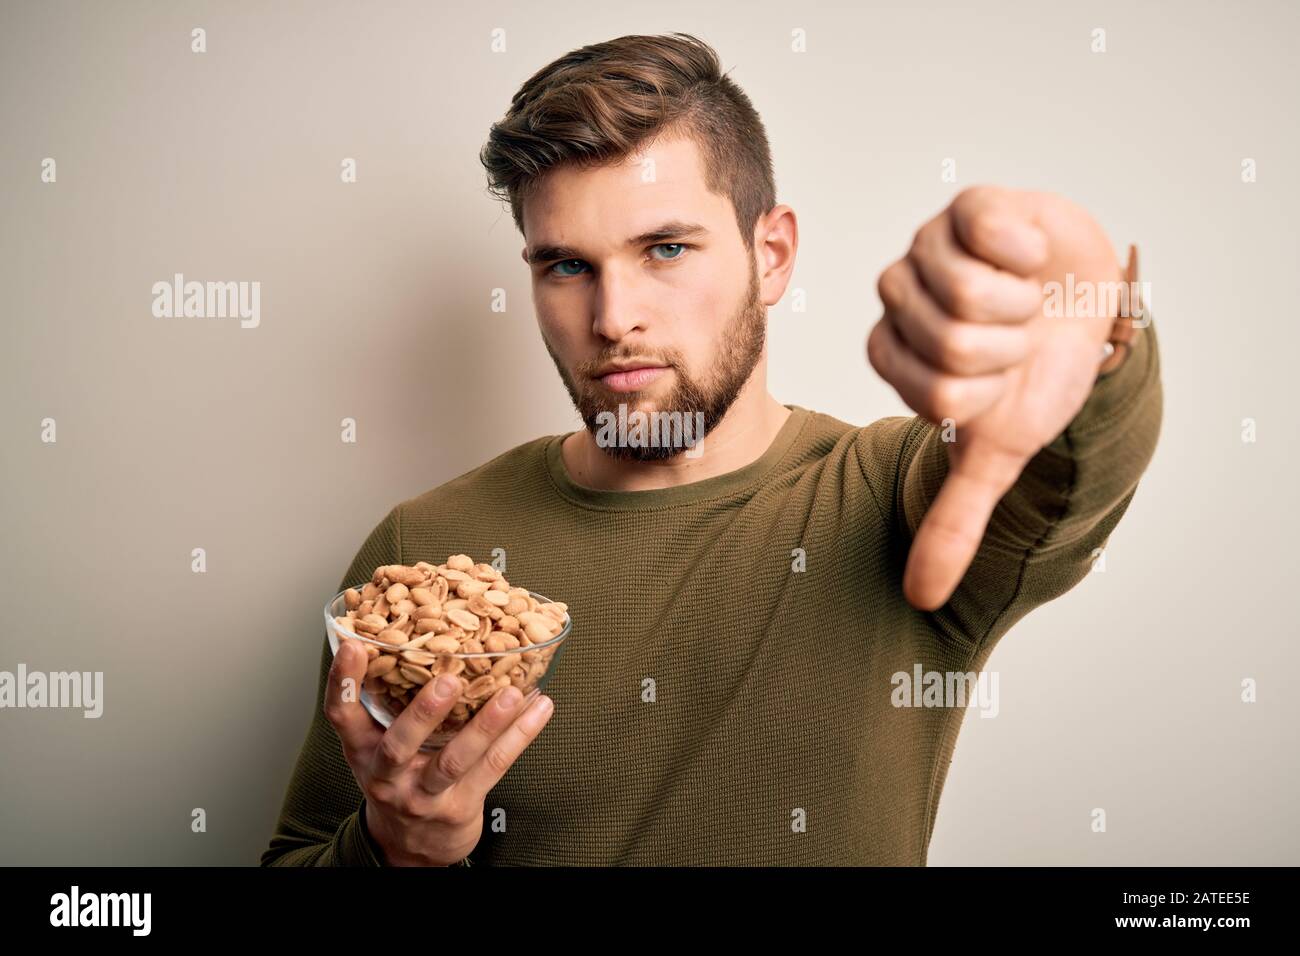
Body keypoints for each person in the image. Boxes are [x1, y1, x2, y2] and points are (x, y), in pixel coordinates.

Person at [262, 32, 1162, 866]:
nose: (614, 319)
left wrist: (1092, 329)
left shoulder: (896, 499)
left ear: (771, 255)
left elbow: (1068, 468)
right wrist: (394, 849)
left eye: (664, 248)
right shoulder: (424, 551)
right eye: (566, 265)